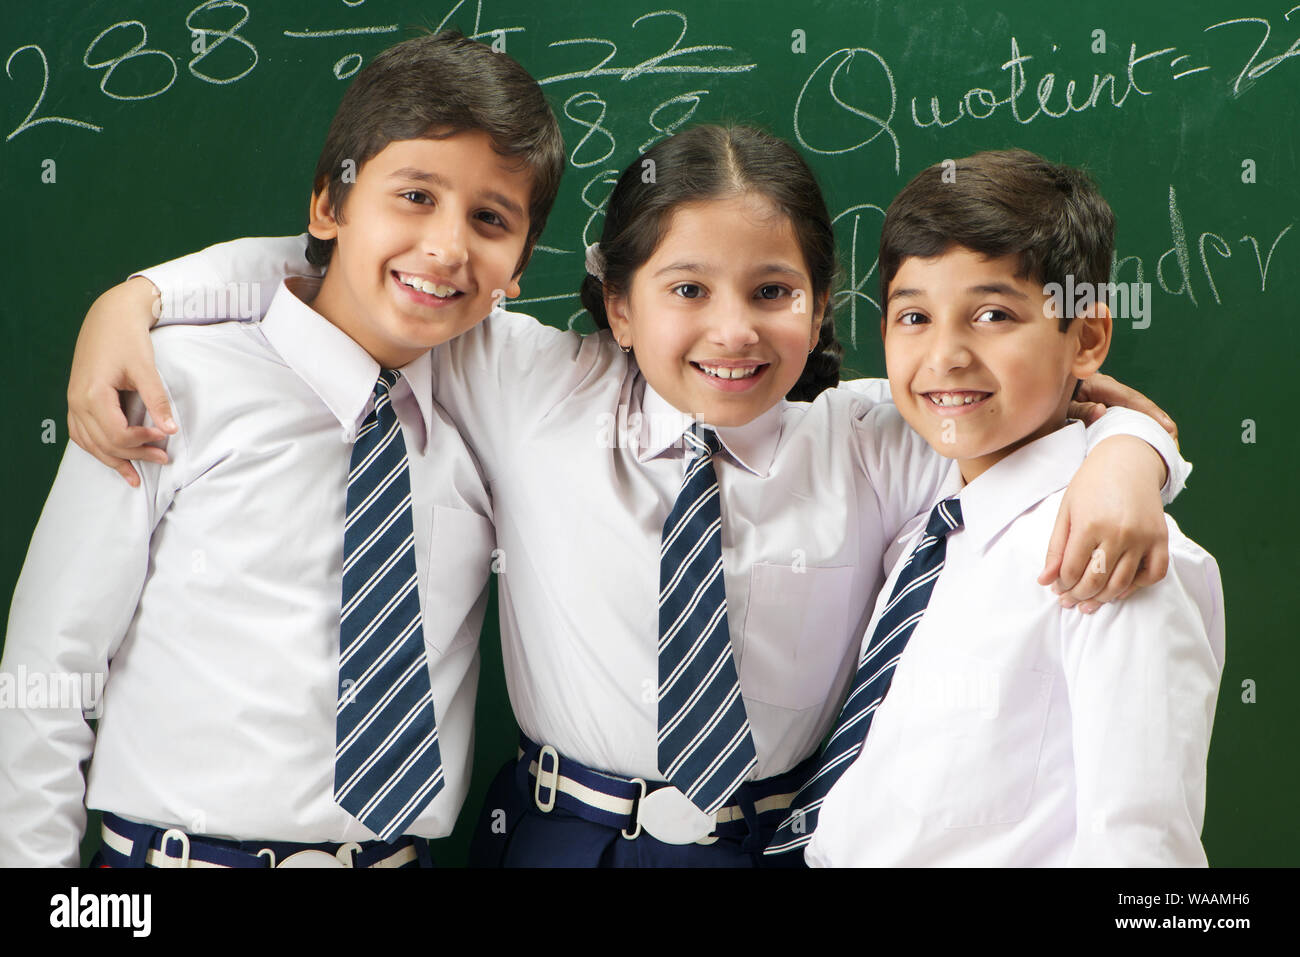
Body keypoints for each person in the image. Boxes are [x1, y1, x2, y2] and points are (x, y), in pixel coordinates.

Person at [57, 126, 1186, 867]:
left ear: (826, 305)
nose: (732, 331)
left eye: (774, 291)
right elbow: (358, 271)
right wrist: (138, 296)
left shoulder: (866, 438)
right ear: (617, 307)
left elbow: (1031, 416)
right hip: (556, 834)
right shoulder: (531, 383)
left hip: (777, 840)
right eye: (686, 289)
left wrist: (1135, 445)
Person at [0, 30, 565, 867]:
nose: (448, 245)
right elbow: (48, 671)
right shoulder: (168, 382)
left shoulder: (498, 404)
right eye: (414, 196)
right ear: (328, 207)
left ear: (518, 264)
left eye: (490, 219)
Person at [780, 150, 1224, 866]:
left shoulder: (1112, 563)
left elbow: (1145, 857)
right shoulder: (927, 534)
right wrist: (1133, 439)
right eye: (914, 316)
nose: (947, 354)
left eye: (993, 314)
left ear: (1087, 337)